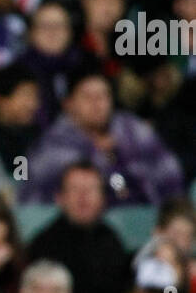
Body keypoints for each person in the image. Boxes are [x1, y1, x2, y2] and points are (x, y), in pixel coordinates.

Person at [24, 64, 184, 205]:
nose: (97, 104)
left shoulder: (132, 129)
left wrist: (121, 159)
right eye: (88, 97)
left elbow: (171, 173)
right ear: (69, 104)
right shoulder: (54, 143)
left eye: (103, 95)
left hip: (145, 221)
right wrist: (106, 159)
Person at [25, 162, 131, 293]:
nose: (83, 196)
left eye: (90, 189)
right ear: (59, 198)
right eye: (74, 189)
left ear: (103, 199)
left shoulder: (112, 241)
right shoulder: (43, 245)